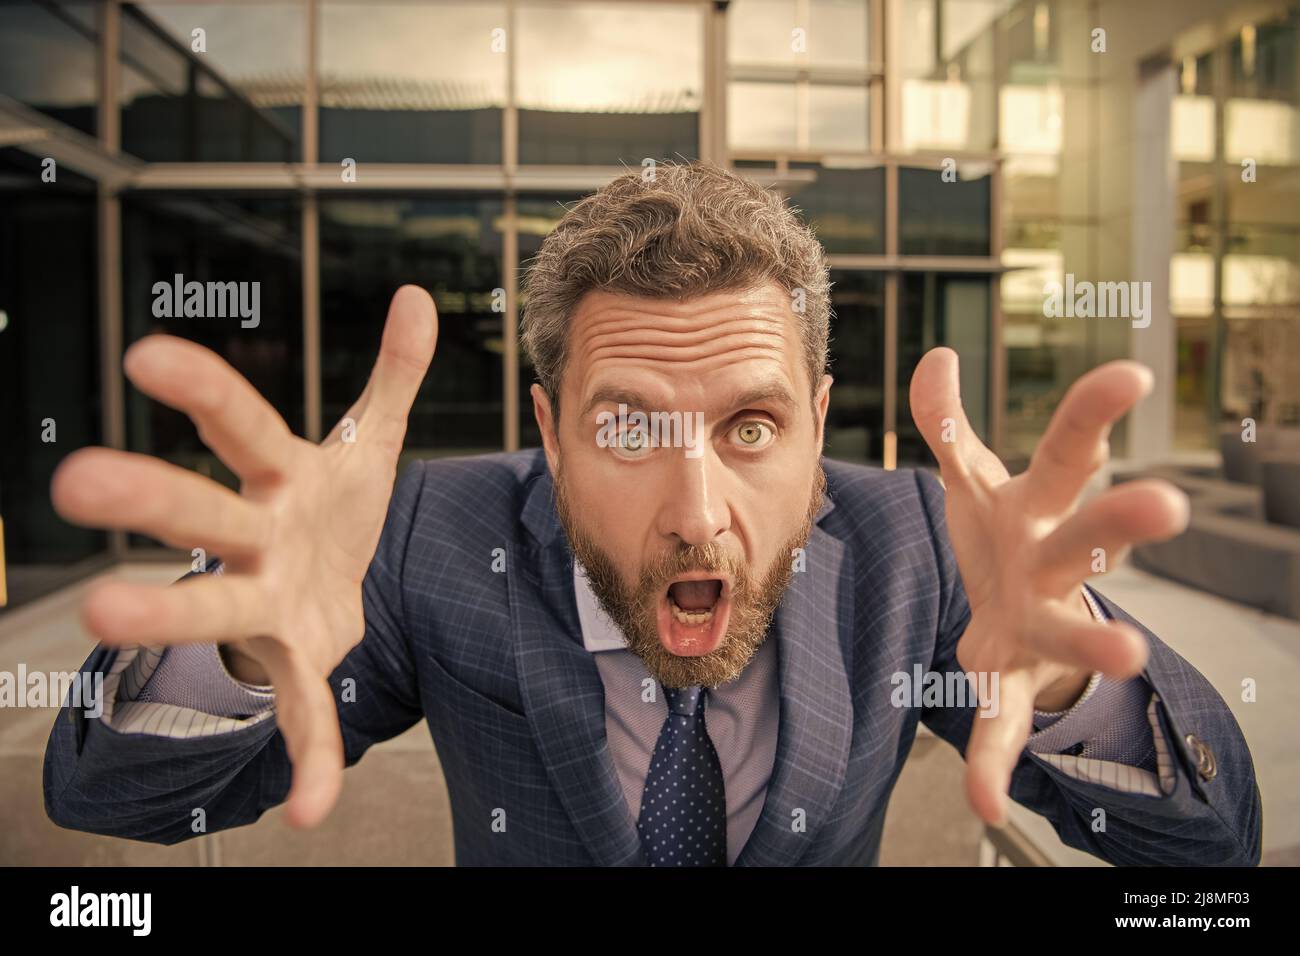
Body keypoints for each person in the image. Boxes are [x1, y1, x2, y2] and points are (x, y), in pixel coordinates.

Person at [44, 162, 1260, 866]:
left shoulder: (921, 546)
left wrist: (1060, 684)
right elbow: (102, 796)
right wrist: (245, 645)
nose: (696, 511)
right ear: (550, 426)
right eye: (625, 425)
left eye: (750, 425)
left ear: (820, 420)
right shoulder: (428, 535)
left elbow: (1213, 842)